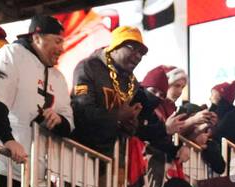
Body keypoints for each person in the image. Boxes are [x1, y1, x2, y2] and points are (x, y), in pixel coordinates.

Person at [0, 13, 71, 186]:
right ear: (37, 38)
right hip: (3, 165)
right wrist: (8, 139)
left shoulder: (59, 77)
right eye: (57, 41)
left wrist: (58, 121)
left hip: (39, 177)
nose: (62, 48)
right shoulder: (11, 55)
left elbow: (69, 124)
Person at [71, 26, 175, 162]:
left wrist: (131, 124)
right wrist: (118, 116)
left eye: (142, 53)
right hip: (83, 154)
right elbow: (81, 112)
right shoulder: (88, 67)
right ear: (116, 46)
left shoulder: (133, 83)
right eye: (133, 48)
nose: (138, 56)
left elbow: (135, 129)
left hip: (115, 158)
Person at [199, 80, 235, 173]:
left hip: (231, 163)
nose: (209, 98)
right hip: (231, 161)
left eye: (212, 94)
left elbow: (219, 134)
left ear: (220, 95)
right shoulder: (229, 114)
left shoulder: (234, 115)